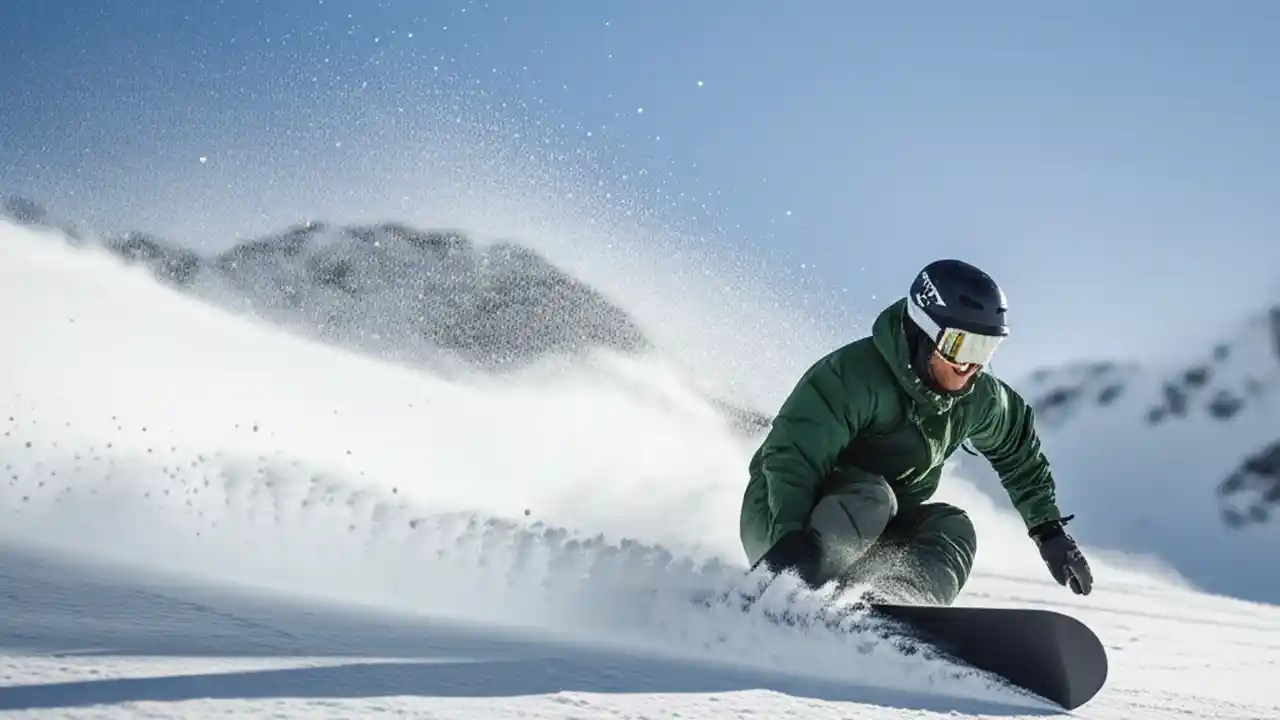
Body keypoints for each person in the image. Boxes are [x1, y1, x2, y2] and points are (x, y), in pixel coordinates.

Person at [739, 259, 1093, 605]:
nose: (970, 366)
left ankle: (896, 605)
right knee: (872, 498)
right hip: (783, 518)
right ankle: (793, 594)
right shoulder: (854, 376)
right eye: (960, 346)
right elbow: (792, 456)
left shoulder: (976, 397)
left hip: (873, 528)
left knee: (953, 528)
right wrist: (788, 544)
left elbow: (1018, 452)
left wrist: (1048, 531)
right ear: (924, 333)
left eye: (984, 348)